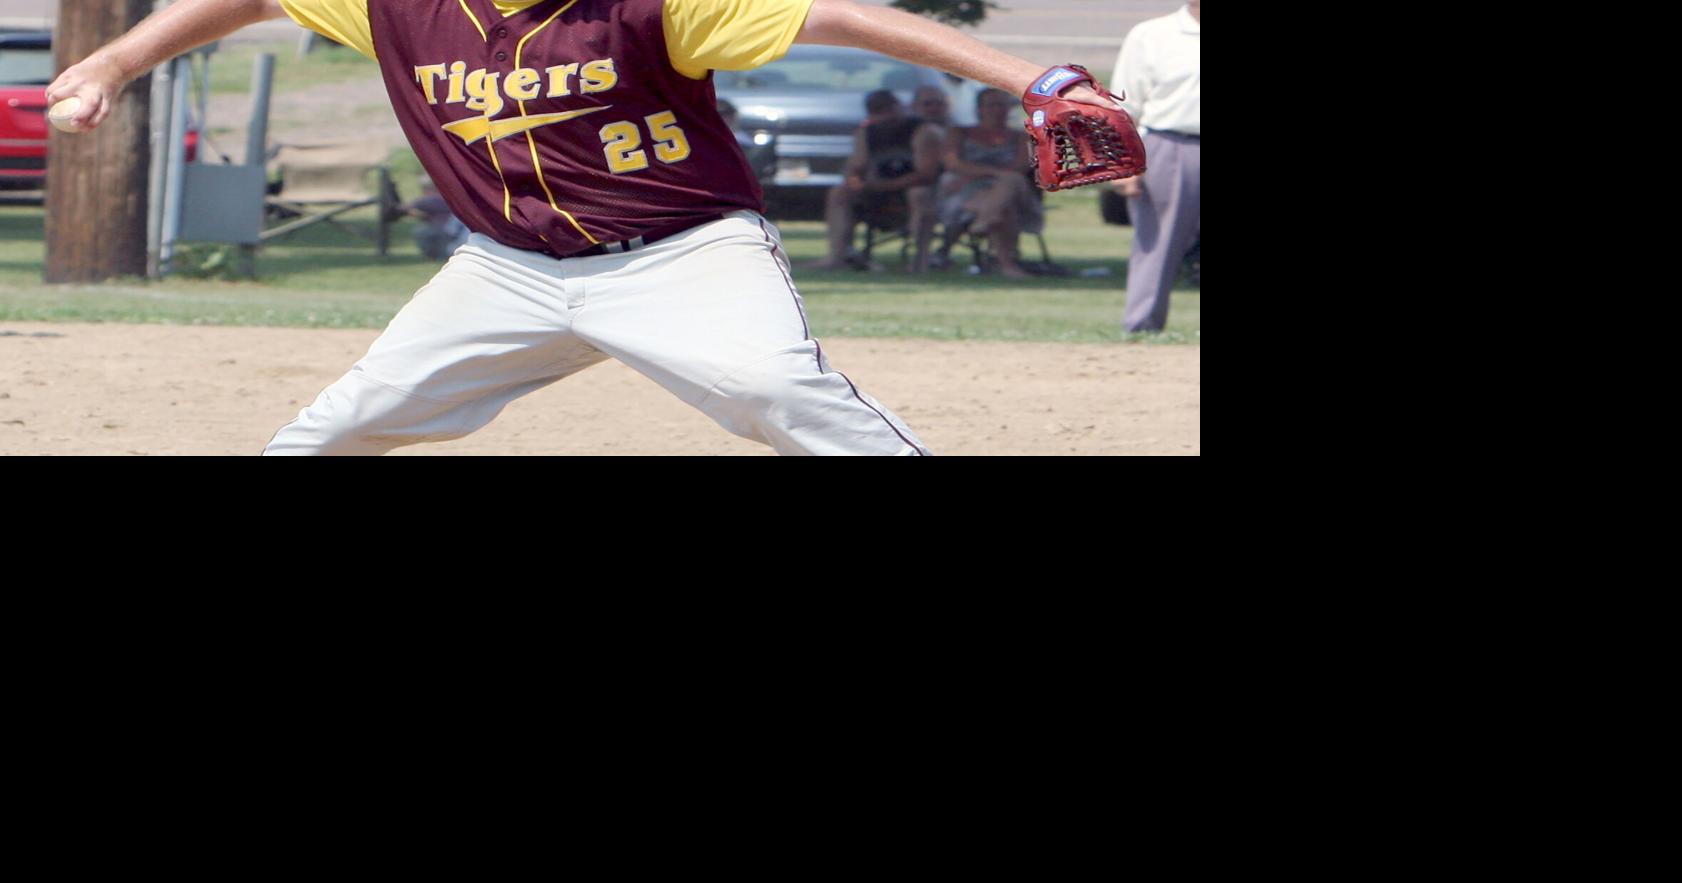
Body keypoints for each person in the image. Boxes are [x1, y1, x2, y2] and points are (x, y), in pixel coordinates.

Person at [48, 0, 1117, 456]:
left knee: (778, 390)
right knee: (343, 423)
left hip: (684, 253)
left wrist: (1039, 79)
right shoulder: (399, 6)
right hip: (505, 270)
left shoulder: (649, 7)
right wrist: (109, 62)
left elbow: (844, 19)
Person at [1112, 0, 1200, 333]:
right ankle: (1142, 327)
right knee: (1157, 239)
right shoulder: (1152, 34)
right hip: (1170, 143)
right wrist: (1125, 163)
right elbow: (1125, 106)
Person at [809, 89, 942, 272]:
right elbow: (856, 167)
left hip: (914, 188)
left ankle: (920, 261)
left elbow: (926, 174)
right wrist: (855, 182)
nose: (886, 117)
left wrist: (886, 185)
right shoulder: (866, 132)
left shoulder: (921, 131)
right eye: (879, 111)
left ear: (898, 108)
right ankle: (837, 256)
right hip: (877, 189)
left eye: (889, 110)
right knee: (839, 193)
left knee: (919, 195)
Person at [936, 88, 1041, 278]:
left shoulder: (1022, 137)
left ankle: (984, 220)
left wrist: (980, 175)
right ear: (979, 109)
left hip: (1008, 189)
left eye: (1002, 105)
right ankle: (1007, 264)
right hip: (967, 189)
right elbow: (953, 163)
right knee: (1005, 207)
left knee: (1011, 181)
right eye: (991, 105)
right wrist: (991, 173)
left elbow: (1021, 166)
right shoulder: (959, 133)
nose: (997, 110)